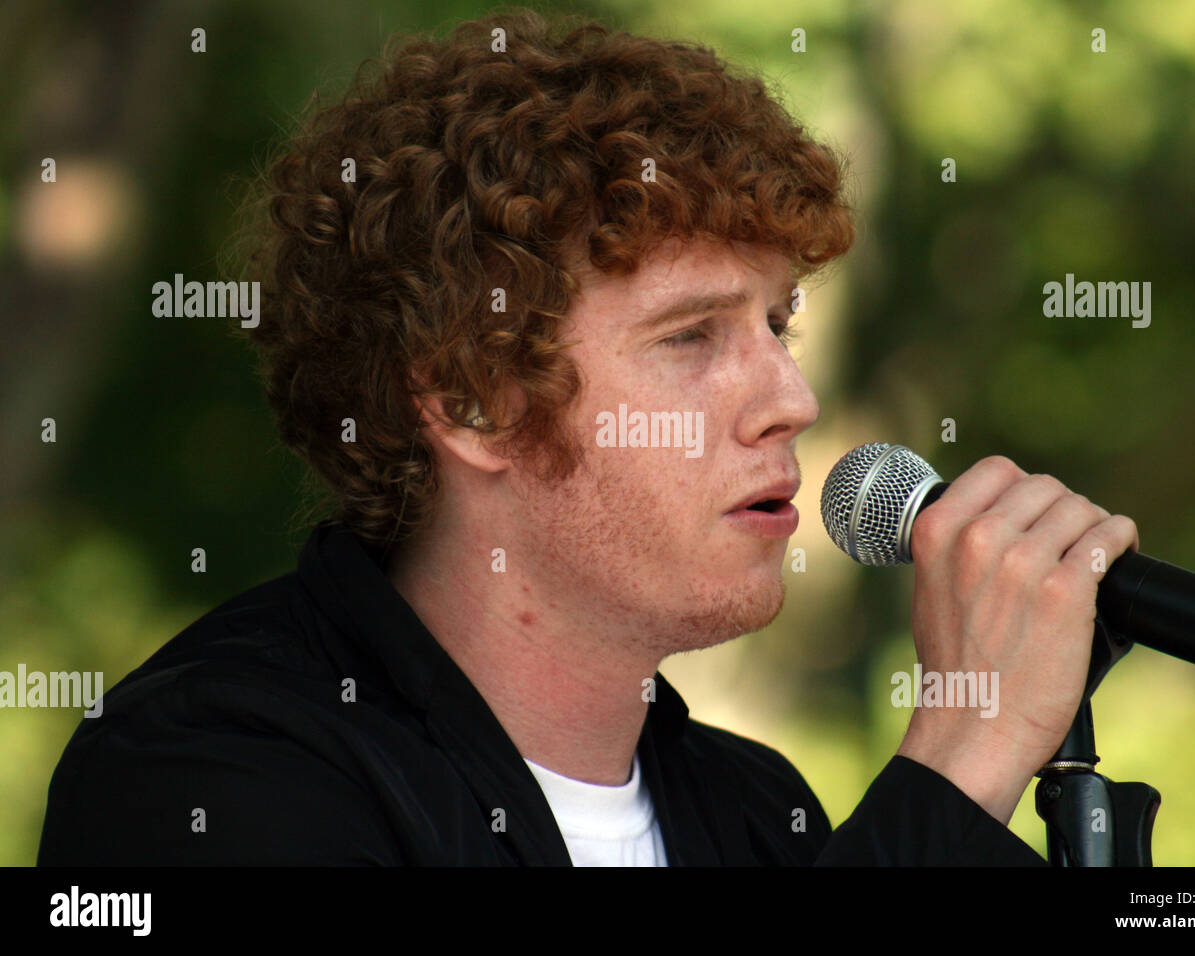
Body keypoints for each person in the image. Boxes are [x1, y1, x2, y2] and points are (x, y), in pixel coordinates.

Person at [37, 7, 1137, 866]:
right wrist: (957, 761)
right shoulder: (209, 766)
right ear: (472, 399)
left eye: (777, 320)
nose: (789, 398)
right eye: (691, 335)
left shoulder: (755, 811)